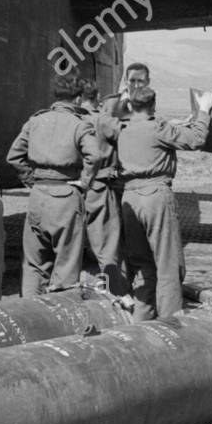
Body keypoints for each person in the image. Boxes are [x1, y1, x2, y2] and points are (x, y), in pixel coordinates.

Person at [109, 85, 212, 320]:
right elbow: (196, 140)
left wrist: (174, 125)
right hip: (155, 195)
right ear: (154, 105)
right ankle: (170, 321)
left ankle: (141, 319)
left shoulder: (123, 129)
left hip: (130, 198)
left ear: (130, 105)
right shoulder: (158, 128)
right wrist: (204, 110)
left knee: (141, 264)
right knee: (168, 263)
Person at [6, 74, 99, 296]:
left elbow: (14, 156)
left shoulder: (35, 121)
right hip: (66, 195)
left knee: (34, 264)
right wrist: (84, 182)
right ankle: (60, 312)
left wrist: (32, 181)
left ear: (56, 96)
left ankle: (30, 310)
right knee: (66, 265)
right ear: (78, 98)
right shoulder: (79, 125)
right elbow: (95, 156)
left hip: (38, 195)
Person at [77, 77, 125, 294]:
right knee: (107, 246)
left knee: (70, 248)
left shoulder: (71, 119)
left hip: (72, 187)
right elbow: (129, 135)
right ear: (97, 97)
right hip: (98, 187)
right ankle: (115, 295)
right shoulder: (102, 120)